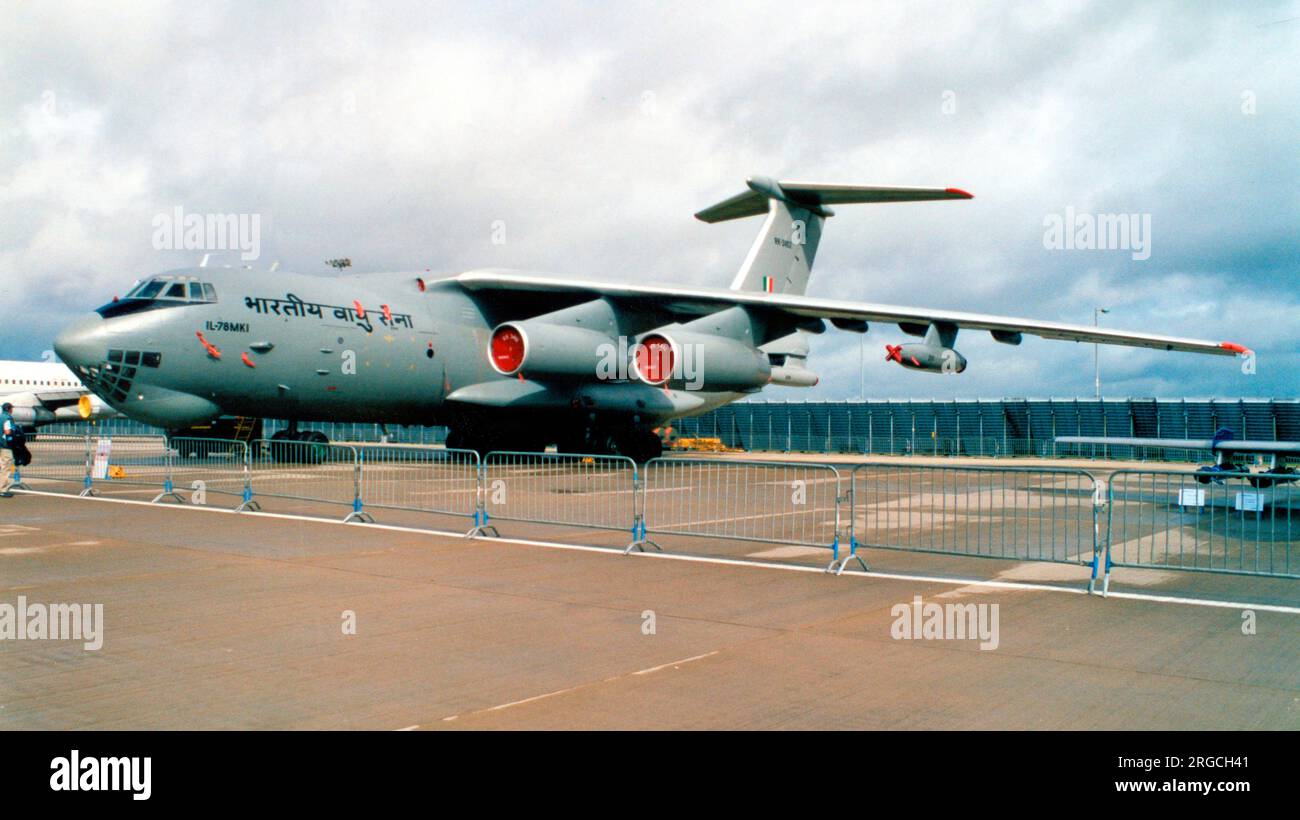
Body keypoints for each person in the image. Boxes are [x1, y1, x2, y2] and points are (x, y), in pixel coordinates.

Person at [0, 402, 15, 497]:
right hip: (5, 445)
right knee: (6, 467)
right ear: (9, 409)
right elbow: (7, 431)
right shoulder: (7, 418)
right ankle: (3, 489)